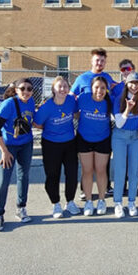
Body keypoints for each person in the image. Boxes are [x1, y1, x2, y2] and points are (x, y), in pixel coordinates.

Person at [0, 79, 37, 231]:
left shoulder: (31, 102)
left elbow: (33, 121)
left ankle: (21, 207)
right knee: (4, 179)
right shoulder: (9, 104)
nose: (26, 92)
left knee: (24, 176)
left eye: (29, 89)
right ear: (16, 90)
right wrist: (4, 151)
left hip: (26, 144)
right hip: (8, 145)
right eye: (23, 88)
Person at [33, 76, 80, 219]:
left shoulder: (71, 101)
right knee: (53, 175)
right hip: (51, 144)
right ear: (53, 89)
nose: (63, 89)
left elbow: (76, 113)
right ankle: (56, 203)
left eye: (65, 86)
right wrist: (50, 130)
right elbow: (37, 123)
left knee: (72, 173)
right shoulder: (47, 107)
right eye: (59, 86)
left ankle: (70, 201)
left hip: (70, 142)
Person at [76, 75, 113, 216]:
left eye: (103, 88)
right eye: (96, 87)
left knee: (101, 170)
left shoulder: (110, 101)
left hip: (103, 139)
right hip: (84, 139)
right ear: (91, 88)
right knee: (87, 170)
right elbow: (72, 112)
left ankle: (102, 200)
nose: (99, 90)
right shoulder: (83, 98)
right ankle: (89, 201)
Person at [110, 72, 138, 218]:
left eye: (137, 83)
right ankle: (118, 203)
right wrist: (128, 109)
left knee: (134, 171)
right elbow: (118, 123)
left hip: (136, 137)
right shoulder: (119, 99)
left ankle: (132, 201)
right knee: (120, 170)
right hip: (120, 137)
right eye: (131, 83)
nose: (134, 86)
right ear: (126, 84)